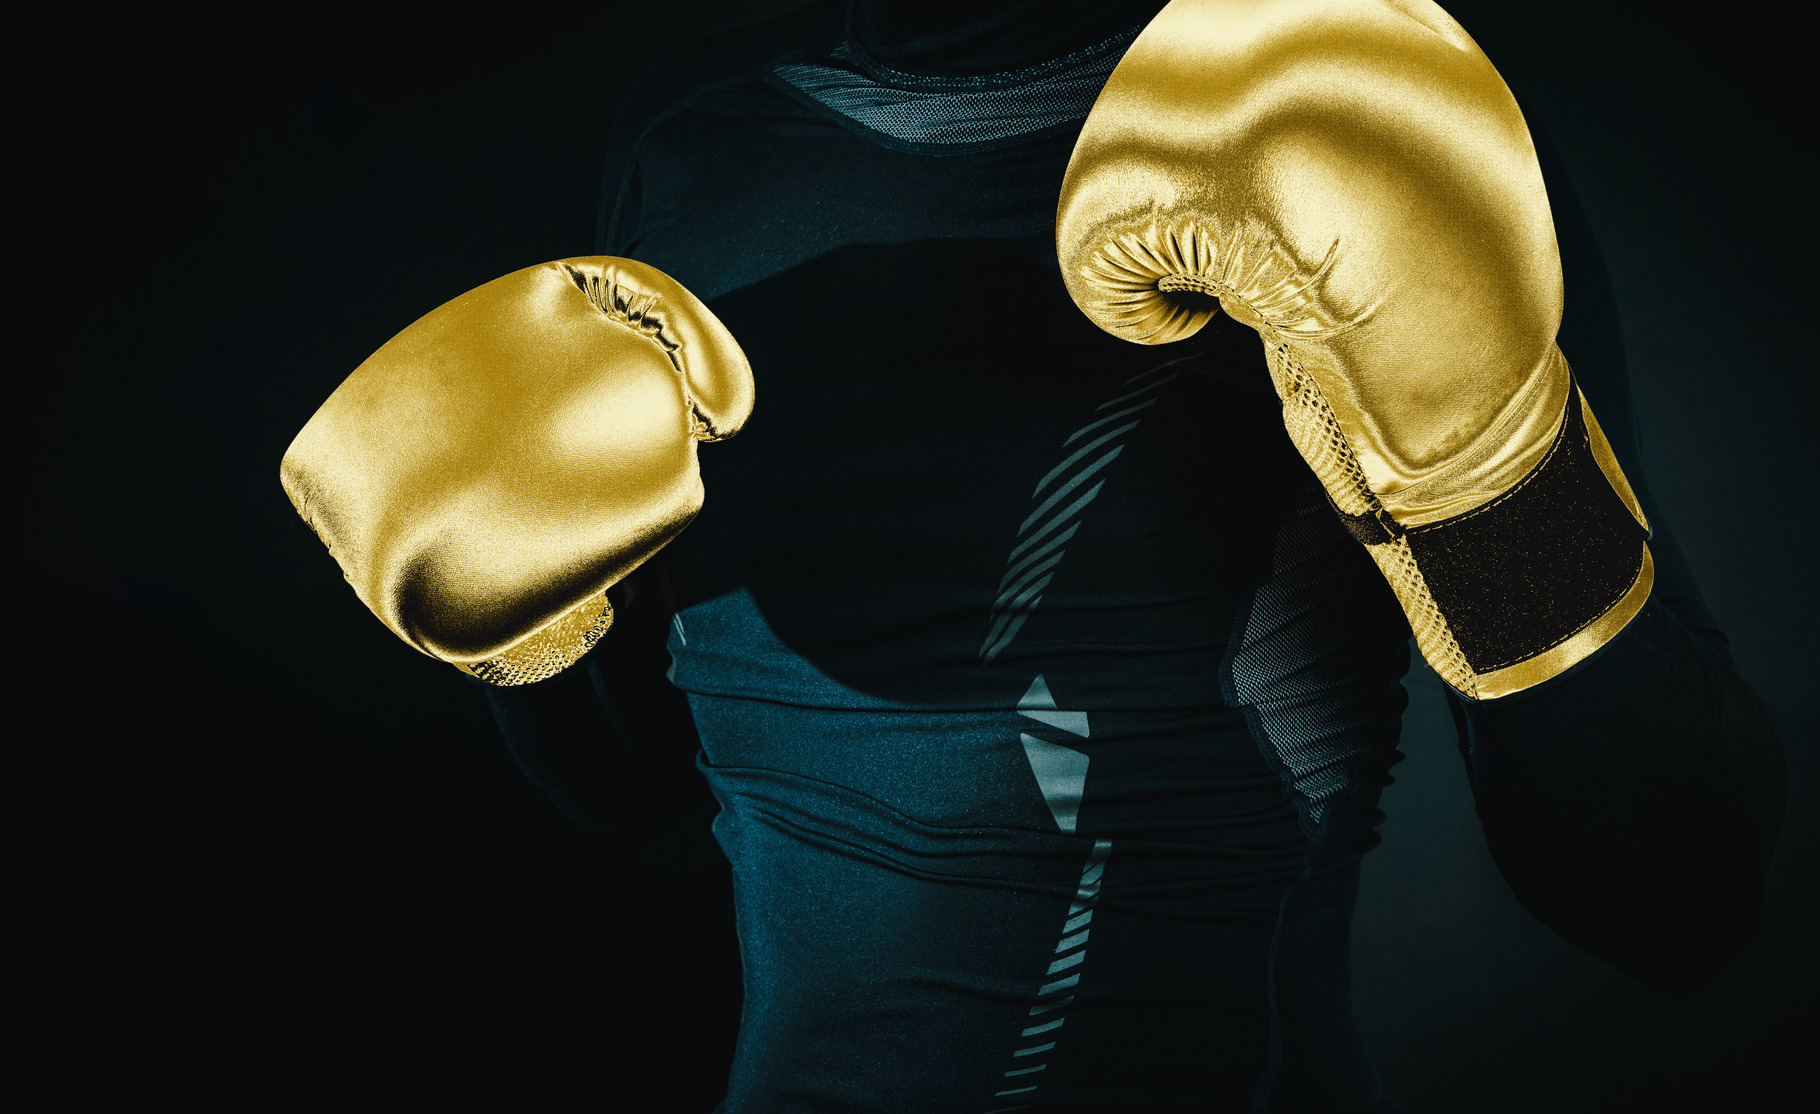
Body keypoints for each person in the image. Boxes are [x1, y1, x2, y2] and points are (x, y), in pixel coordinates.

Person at [456, 1, 1784, 1109]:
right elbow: (632, 794)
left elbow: (1675, 898)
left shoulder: (1355, 93)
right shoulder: (692, 132)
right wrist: (527, 628)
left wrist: (1486, 474)